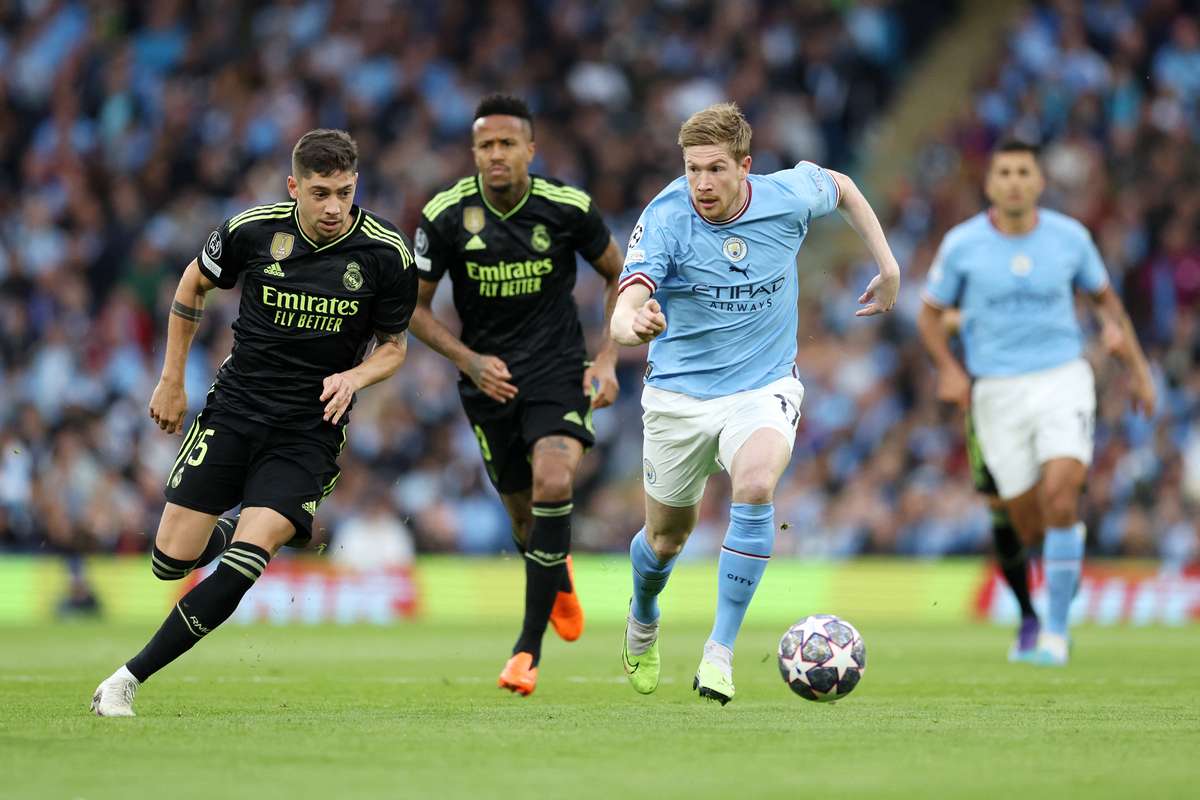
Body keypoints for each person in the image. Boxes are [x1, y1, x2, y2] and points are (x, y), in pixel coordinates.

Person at [90, 129, 418, 716]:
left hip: (309, 430)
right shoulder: (252, 230)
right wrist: (171, 379)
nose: (334, 207)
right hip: (235, 410)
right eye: (320, 193)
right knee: (170, 561)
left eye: (344, 192)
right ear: (294, 186)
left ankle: (126, 679)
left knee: (247, 559)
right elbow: (192, 281)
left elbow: (394, 347)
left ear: (356, 186)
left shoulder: (386, 253)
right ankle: (231, 530)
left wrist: (355, 377)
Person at [610, 102, 901, 704]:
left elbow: (843, 188)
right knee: (665, 541)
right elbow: (624, 308)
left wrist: (888, 264)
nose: (702, 183)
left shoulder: (786, 196)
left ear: (745, 167)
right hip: (678, 397)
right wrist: (632, 326)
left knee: (757, 483)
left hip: (762, 387)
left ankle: (719, 651)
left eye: (715, 169)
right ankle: (643, 615)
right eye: (692, 169)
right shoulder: (664, 218)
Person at [410, 94, 623, 697]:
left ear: (531, 149)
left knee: (554, 480)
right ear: (473, 152)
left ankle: (526, 651)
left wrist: (608, 357)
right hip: (488, 381)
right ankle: (558, 570)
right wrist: (468, 361)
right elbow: (413, 309)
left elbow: (619, 273)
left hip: (558, 370)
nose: (496, 154)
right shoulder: (446, 215)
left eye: (507, 143)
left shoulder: (567, 207)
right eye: (485, 145)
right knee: (527, 519)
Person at [917, 139, 1155, 667]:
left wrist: (1138, 371)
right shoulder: (962, 245)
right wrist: (950, 370)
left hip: (1062, 378)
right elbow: (929, 316)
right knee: (1026, 523)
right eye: (1005, 172)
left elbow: (1107, 303)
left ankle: (1056, 634)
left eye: (1024, 172)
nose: (1015, 182)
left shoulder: (1071, 239)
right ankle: (1060, 567)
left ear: (1040, 182)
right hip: (996, 391)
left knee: (1062, 494)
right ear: (990, 184)